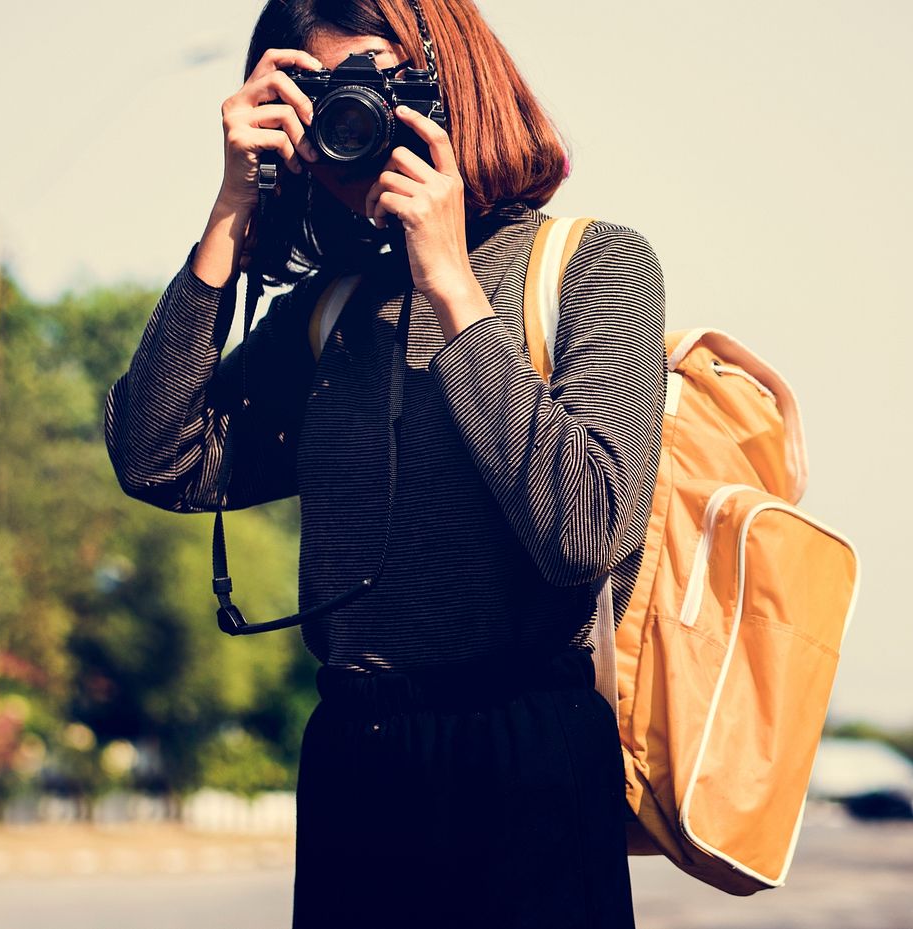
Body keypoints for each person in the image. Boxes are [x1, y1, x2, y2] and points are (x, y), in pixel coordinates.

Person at [105, 0, 665, 925]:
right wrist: (230, 211)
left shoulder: (594, 265)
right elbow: (159, 457)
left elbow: (587, 530)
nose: (346, 115)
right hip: (356, 763)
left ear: (454, 82)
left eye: (371, 77)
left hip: (530, 755)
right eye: (313, 93)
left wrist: (451, 285)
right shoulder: (334, 310)